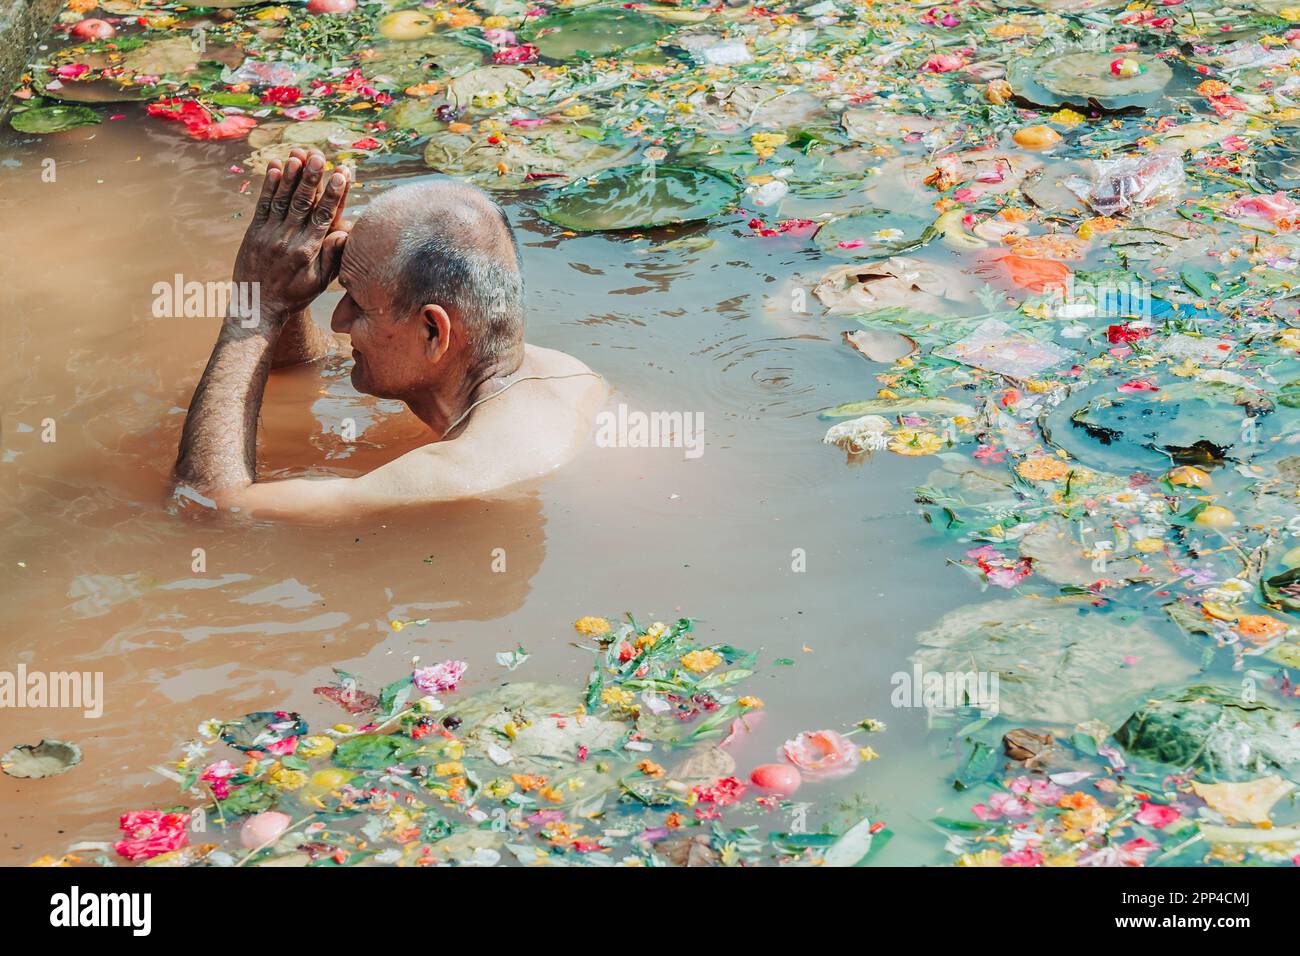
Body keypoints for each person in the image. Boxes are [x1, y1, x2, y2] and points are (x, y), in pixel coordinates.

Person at [174, 147, 606, 517]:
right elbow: (309, 368)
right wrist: (286, 298)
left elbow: (208, 505)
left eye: (357, 305)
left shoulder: (456, 475)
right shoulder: (566, 376)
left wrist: (254, 309)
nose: (338, 322)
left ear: (434, 331)